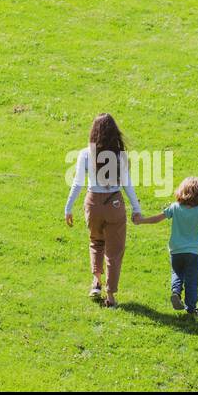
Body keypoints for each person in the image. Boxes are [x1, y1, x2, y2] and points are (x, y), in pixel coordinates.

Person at [64, 113, 143, 308]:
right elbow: (127, 184)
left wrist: (68, 207)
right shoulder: (119, 156)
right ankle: (111, 295)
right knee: (114, 252)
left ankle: (96, 282)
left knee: (96, 241)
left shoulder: (85, 154)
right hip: (114, 203)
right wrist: (136, 208)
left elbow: (77, 183)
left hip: (92, 203)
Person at [134, 177, 198, 316]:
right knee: (192, 280)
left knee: (177, 273)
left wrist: (141, 220)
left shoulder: (175, 207)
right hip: (192, 252)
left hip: (175, 250)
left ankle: (176, 292)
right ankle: (191, 308)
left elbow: (157, 218)